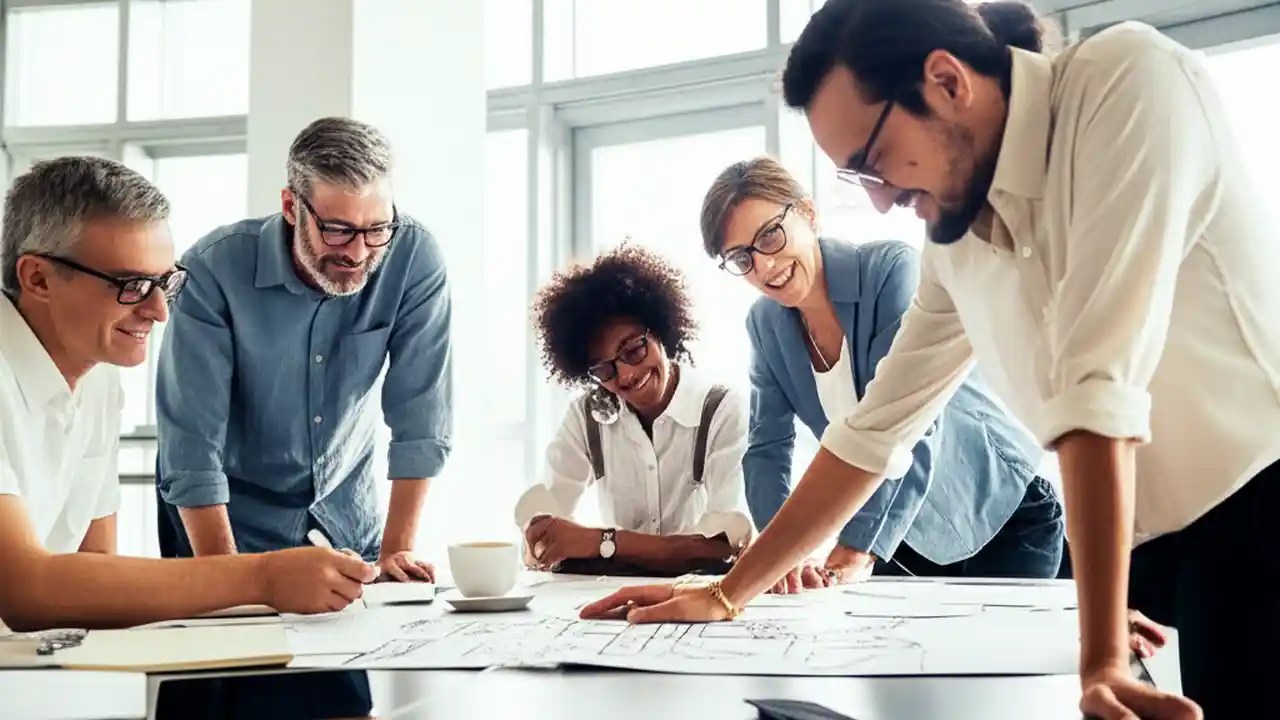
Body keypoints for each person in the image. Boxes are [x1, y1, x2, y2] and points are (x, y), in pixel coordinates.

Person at [583, 1, 1280, 718]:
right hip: (1143, 541)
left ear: (947, 81)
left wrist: (1100, 653)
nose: (882, 201)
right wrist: (730, 591)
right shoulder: (955, 238)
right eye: (860, 179)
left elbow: (1098, 381)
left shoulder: (1124, 82)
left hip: (1258, 502)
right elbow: (873, 432)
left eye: (874, 162)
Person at [0, 157, 377, 632]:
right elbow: (23, 588)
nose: (159, 312)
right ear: (37, 278)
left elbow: (94, 576)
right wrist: (261, 576)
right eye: (133, 285)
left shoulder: (99, 377)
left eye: (166, 283)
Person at [702, 155, 1063, 592]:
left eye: (770, 237)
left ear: (808, 214)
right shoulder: (765, 327)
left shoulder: (889, 269)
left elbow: (912, 423)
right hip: (905, 540)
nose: (763, 266)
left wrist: (859, 546)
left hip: (1002, 511)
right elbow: (767, 450)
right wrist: (782, 558)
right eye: (741, 257)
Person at [156, 117, 451, 584]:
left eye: (377, 229)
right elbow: (191, 445)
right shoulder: (212, 270)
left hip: (348, 525)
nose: (358, 253)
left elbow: (422, 418)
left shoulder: (412, 255)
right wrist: (232, 582)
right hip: (226, 530)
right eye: (337, 230)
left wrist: (398, 551)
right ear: (292, 206)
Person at [514, 244, 754, 576]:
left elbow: (722, 547)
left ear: (661, 332)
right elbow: (544, 523)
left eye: (633, 350)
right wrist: (541, 532)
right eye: (604, 370)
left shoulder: (721, 410)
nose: (625, 375)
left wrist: (602, 542)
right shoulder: (587, 418)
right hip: (620, 599)